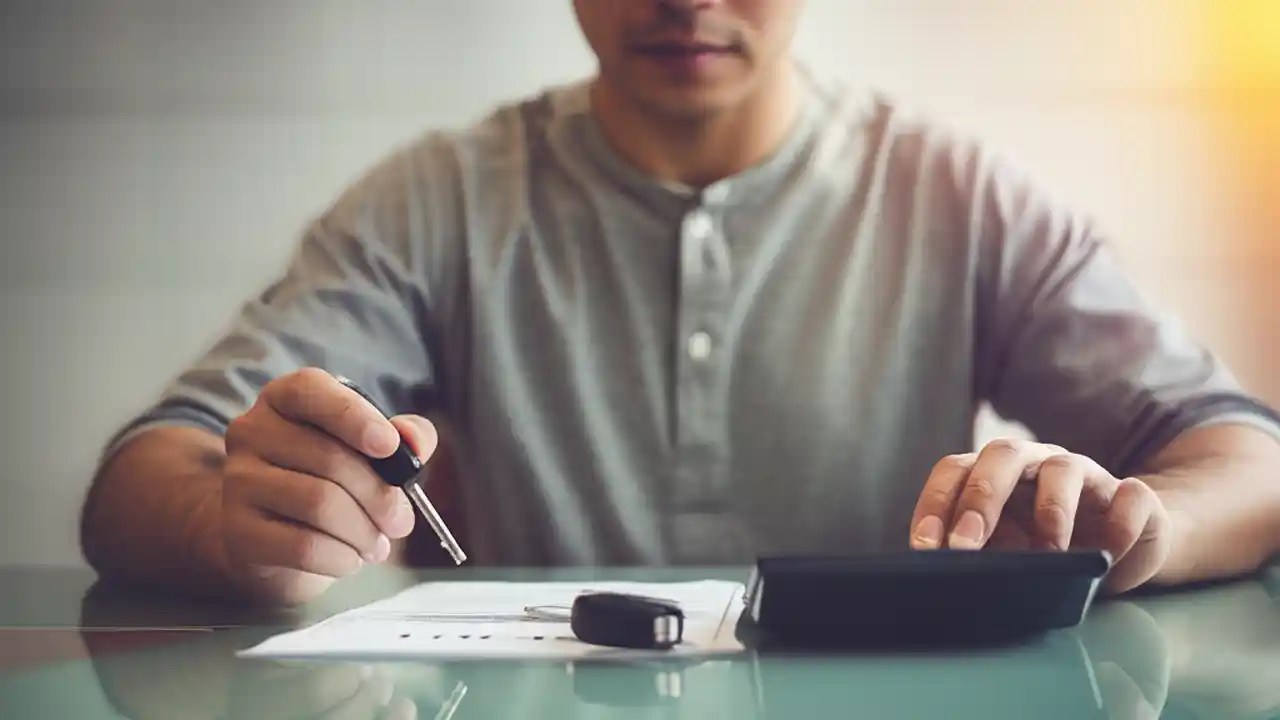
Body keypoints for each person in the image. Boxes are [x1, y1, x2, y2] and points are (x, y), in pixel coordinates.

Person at [80, 0, 1280, 606]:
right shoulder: (435, 199)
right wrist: (230, 525)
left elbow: (1248, 456)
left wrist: (1140, 525)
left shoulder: (960, 195)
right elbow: (142, 476)